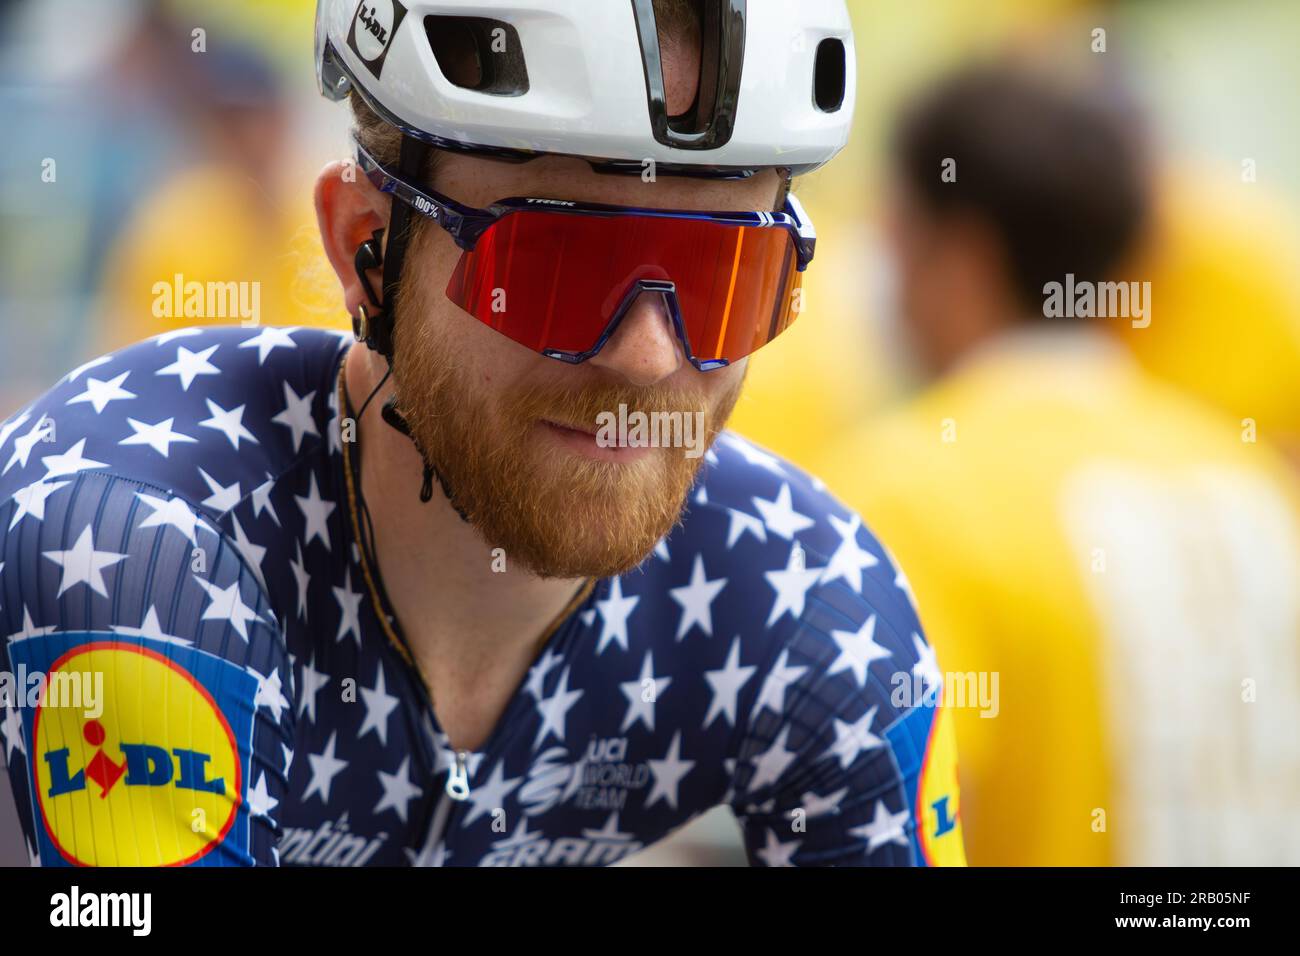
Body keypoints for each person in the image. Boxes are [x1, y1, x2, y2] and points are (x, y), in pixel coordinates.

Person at [0, 0, 965, 868]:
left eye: (724, 281)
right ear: (363, 248)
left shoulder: (812, 604)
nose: (647, 360)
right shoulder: (142, 540)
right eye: (551, 268)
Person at [820, 62, 1300, 865]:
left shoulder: (902, 491)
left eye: (897, 234)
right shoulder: (1252, 484)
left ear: (960, 257)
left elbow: (876, 821)